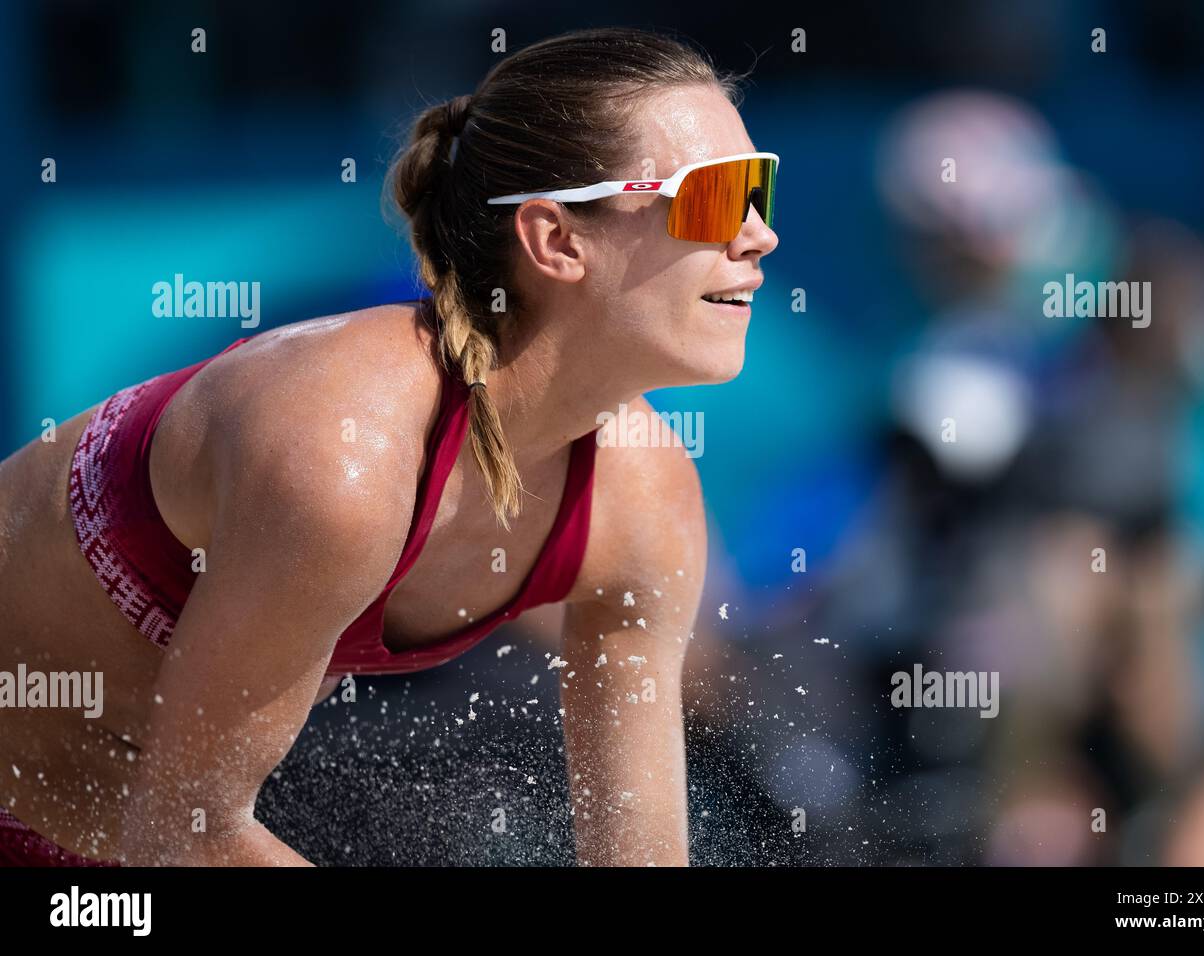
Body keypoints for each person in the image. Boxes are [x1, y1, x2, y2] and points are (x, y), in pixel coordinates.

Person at [0, 25, 779, 866]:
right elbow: (185, 829)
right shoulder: (346, 452)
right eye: (713, 197)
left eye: (759, 190)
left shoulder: (643, 501)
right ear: (556, 240)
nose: (758, 235)